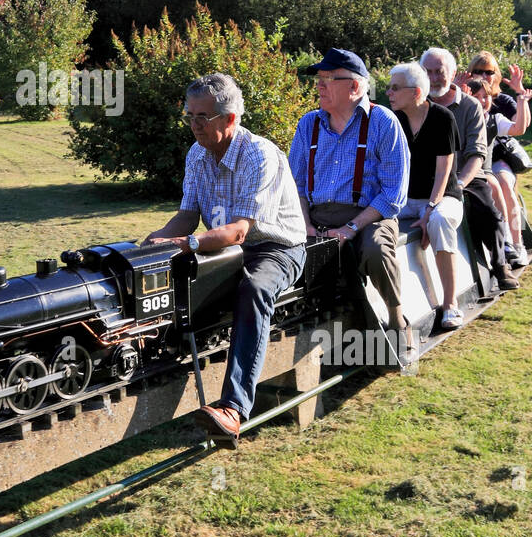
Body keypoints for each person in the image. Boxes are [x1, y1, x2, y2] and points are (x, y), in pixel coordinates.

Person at [144, 73, 308, 445]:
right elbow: (187, 215)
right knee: (162, 274)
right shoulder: (197, 154)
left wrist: (186, 243)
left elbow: (239, 231)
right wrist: (154, 243)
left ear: (230, 118)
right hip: (219, 245)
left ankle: (234, 408)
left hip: (275, 248)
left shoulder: (260, 154)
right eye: (189, 115)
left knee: (253, 289)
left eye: (202, 117)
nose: (194, 125)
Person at [287, 49, 411, 355]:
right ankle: (305, 335)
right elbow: (295, 186)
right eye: (319, 79)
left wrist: (351, 228)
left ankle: (397, 322)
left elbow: (393, 194)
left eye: (328, 79)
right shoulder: (309, 124)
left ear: (354, 87)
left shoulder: (383, 122)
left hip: (370, 215)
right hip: (314, 216)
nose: (319, 85)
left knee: (376, 249)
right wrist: (305, 226)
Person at [420, 47, 518, 292]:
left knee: (489, 213)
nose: (433, 78)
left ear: (452, 73)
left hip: (465, 175)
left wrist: (460, 184)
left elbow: (476, 153)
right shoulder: (417, 105)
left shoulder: (470, 106)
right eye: (427, 72)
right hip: (426, 178)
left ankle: (499, 265)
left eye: (439, 72)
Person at [385, 61, 465, 329]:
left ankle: (451, 304)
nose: (389, 93)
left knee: (440, 221)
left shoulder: (443, 118)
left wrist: (430, 209)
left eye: (395, 88)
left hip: (443, 197)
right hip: (407, 199)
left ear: (417, 92)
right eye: (388, 88)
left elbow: (444, 171)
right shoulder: (393, 119)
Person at [465, 77, 532, 267]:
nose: (482, 101)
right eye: (476, 97)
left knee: (495, 183)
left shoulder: (494, 120)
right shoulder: (459, 116)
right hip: (462, 171)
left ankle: (507, 239)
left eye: (485, 96)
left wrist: (521, 100)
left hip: (483, 172)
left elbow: (518, 128)